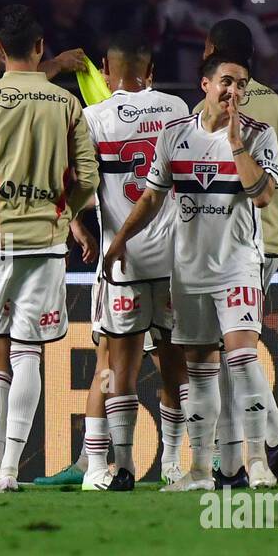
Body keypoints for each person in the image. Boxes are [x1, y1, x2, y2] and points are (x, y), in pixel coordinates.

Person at [105, 54, 278, 492]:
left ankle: (256, 462)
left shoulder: (260, 135)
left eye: (241, 85)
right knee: (199, 373)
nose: (233, 92)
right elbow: (150, 198)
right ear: (205, 84)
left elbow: (262, 196)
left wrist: (237, 144)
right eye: (226, 82)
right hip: (189, 273)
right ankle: (201, 471)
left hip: (238, 265)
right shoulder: (175, 135)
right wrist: (120, 238)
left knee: (242, 360)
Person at [0, 5, 99, 492]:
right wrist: (61, 213)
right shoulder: (66, 104)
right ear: (39, 49)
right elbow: (88, 180)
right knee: (27, 349)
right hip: (47, 240)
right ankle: (10, 470)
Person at [192, 19, 278, 482]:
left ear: (213, 51)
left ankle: (263, 446)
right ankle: (248, 453)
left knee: (231, 349)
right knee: (235, 345)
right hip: (270, 239)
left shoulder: (208, 104)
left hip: (229, 246)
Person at [79, 31, 190, 492]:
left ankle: (121, 467)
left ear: (106, 69)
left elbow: (81, 184)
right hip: (176, 261)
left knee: (117, 368)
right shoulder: (177, 109)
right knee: (175, 367)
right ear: (151, 73)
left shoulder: (92, 118)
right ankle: (172, 465)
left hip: (122, 259)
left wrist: (75, 225)